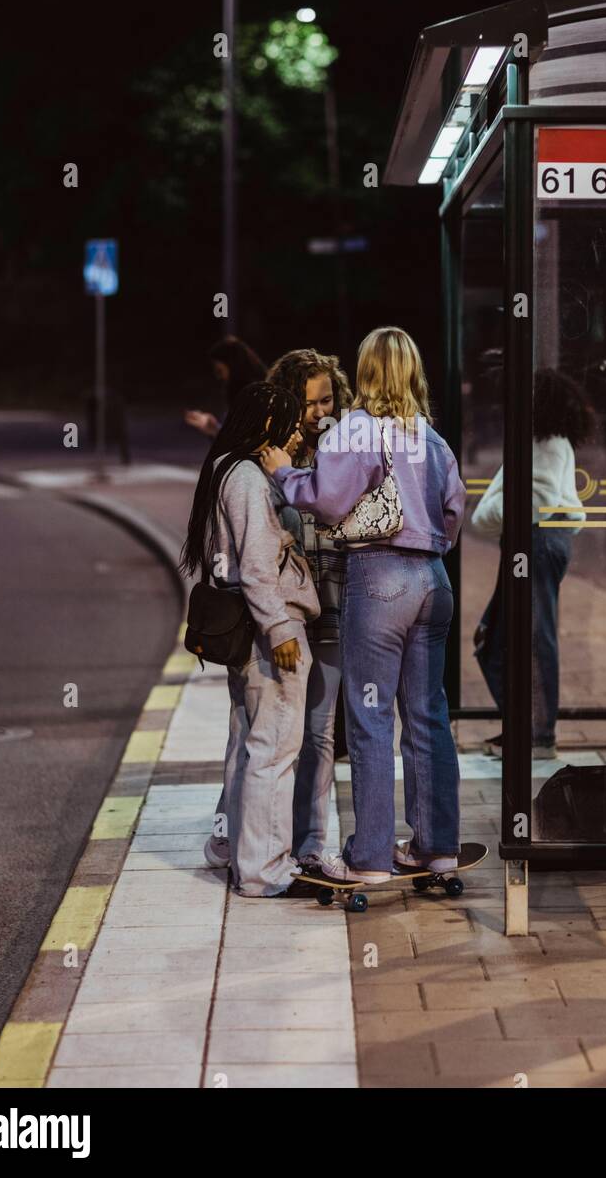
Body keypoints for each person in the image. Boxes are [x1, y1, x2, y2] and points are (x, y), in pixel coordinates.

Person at [262, 327, 466, 885]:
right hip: (434, 580)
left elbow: (326, 499)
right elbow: (453, 511)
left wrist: (285, 473)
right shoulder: (429, 436)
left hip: (379, 579)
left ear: (367, 371)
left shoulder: (357, 428)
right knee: (427, 716)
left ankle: (372, 856)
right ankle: (436, 847)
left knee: (371, 718)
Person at [180, 381, 320, 898]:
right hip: (270, 629)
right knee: (275, 750)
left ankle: (242, 856)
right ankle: (265, 871)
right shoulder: (246, 479)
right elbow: (258, 565)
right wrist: (281, 627)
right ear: (267, 427)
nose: (296, 430)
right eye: (287, 422)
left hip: (245, 628)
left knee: (249, 747)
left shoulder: (222, 467)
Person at [473, 368, 590, 758]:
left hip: (535, 541)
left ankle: (538, 735)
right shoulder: (547, 442)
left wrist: (487, 513)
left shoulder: (548, 444)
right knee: (499, 639)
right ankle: (526, 727)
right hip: (535, 541)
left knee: (532, 638)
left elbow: (534, 503)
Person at [265, 349, 353, 867]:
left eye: (327, 401)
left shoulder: (345, 448)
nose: (320, 413)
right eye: (309, 404)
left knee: (320, 732)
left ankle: (311, 843)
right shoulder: (271, 453)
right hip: (291, 612)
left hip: (337, 601)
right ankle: (253, 836)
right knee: (275, 733)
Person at [185, 335, 267, 440]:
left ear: (233, 366)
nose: (218, 376)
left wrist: (216, 430)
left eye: (219, 370)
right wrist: (214, 429)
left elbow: (244, 440)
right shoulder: (259, 388)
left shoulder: (250, 394)